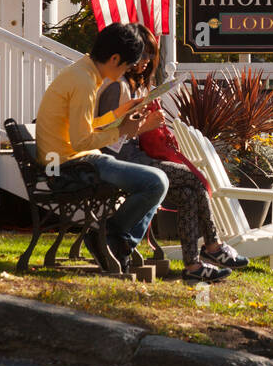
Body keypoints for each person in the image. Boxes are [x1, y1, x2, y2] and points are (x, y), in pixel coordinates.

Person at [97, 25, 247, 284]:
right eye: (141, 56)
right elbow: (106, 137)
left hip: (139, 159)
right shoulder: (116, 87)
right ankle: (212, 246)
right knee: (193, 179)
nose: (145, 63)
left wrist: (145, 120)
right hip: (123, 163)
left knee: (189, 193)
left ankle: (193, 265)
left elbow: (126, 130)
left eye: (149, 57)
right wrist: (145, 125)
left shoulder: (135, 87)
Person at [35, 22, 167, 272]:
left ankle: (113, 241)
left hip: (70, 160)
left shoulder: (82, 74)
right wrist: (121, 131)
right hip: (73, 166)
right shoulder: (84, 82)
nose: (129, 69)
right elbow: (81, 140)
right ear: (115, 58)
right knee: (156, 182)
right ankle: (113, 239)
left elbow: (84, 127)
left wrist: (120, 112)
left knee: (158, 180)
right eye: (128, 64)